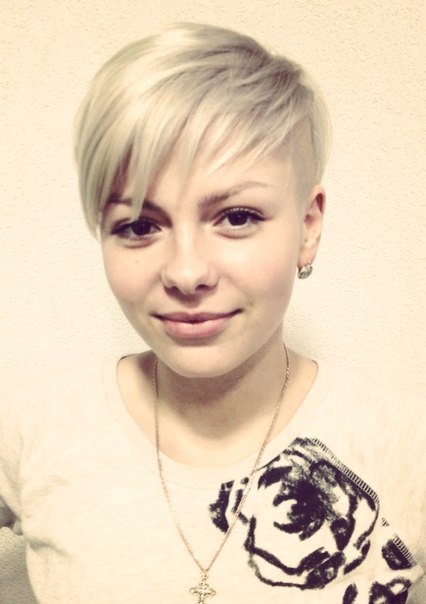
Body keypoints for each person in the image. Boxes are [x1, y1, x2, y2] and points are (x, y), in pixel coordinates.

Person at [0, 22, 424, 604]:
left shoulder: (408, 445)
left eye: (237, 217)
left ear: (307, 227)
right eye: (139, 226)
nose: (186, 272)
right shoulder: (31, 427)